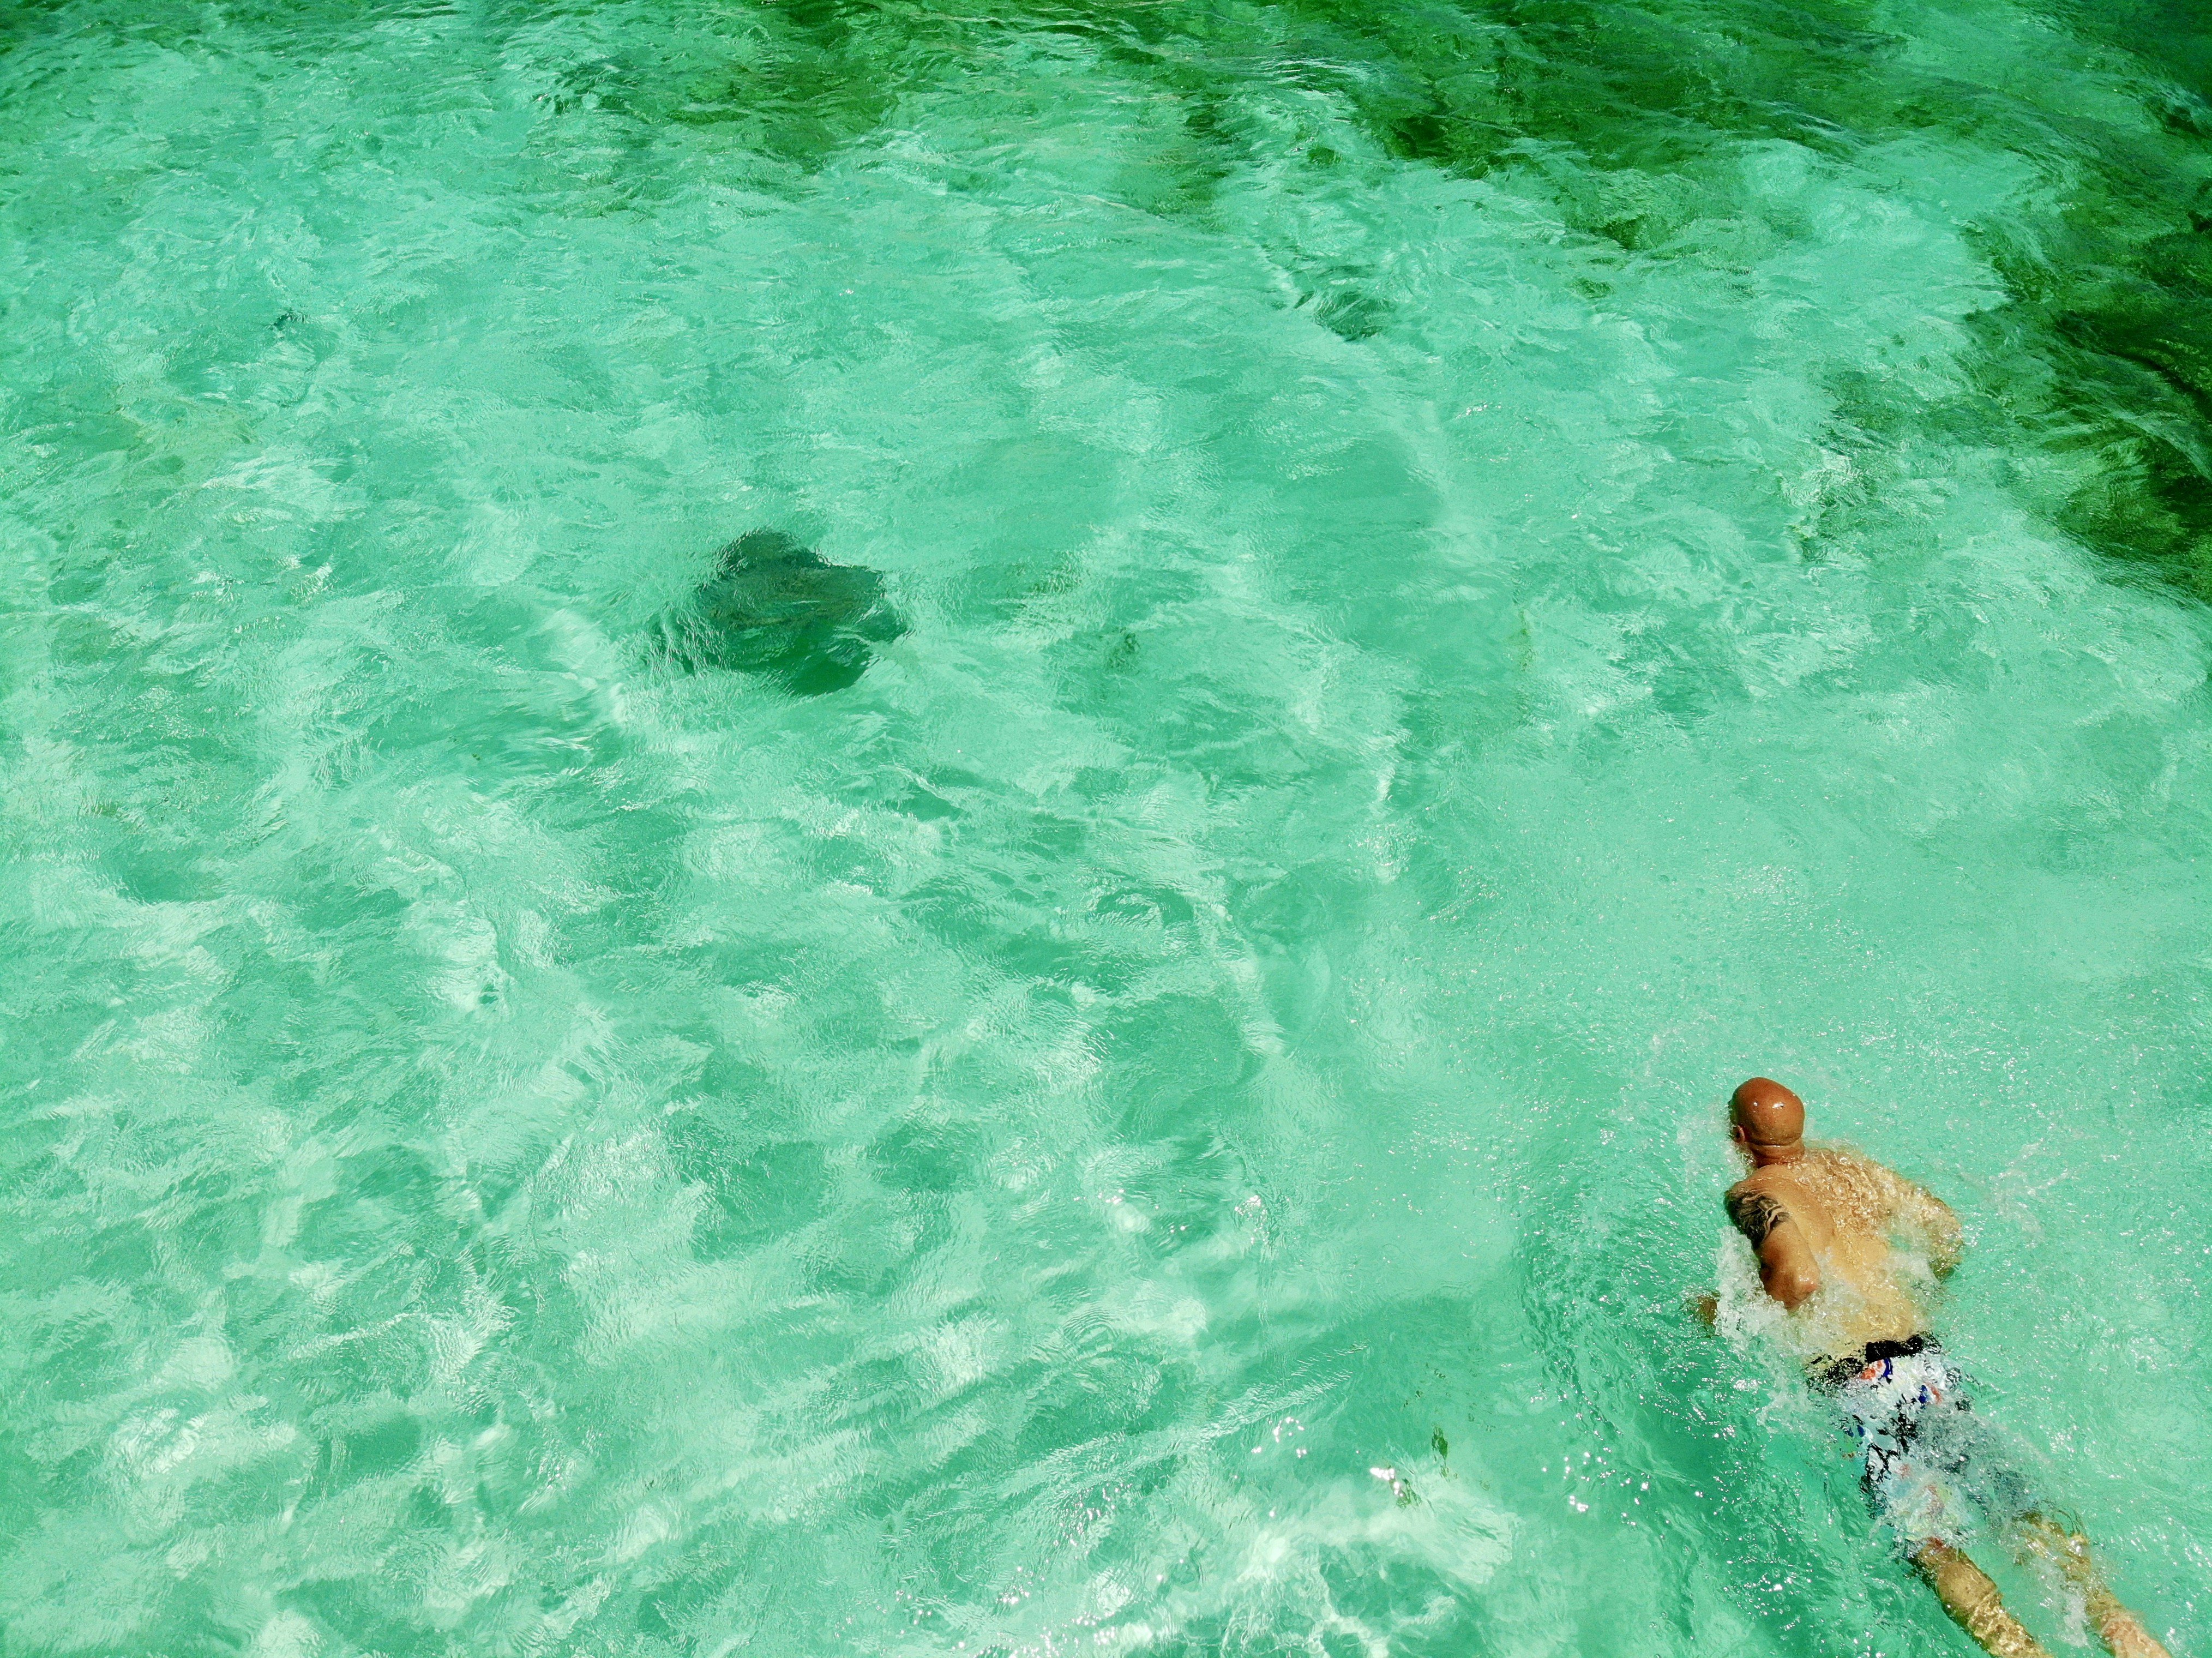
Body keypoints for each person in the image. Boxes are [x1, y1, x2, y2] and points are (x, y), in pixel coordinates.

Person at [1703, 1076, 2173, 1658]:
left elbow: (1798, 1277)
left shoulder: (1752, 1193)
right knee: (2017, 1508)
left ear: (1739, 1135)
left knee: (1933, 1543)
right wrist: (1921, 1292)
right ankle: (2134, 1639)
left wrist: (1734, 1312)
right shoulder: (1852, 1168)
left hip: (1859, 1384)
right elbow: (1946, 1230)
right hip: (1927, 1366)